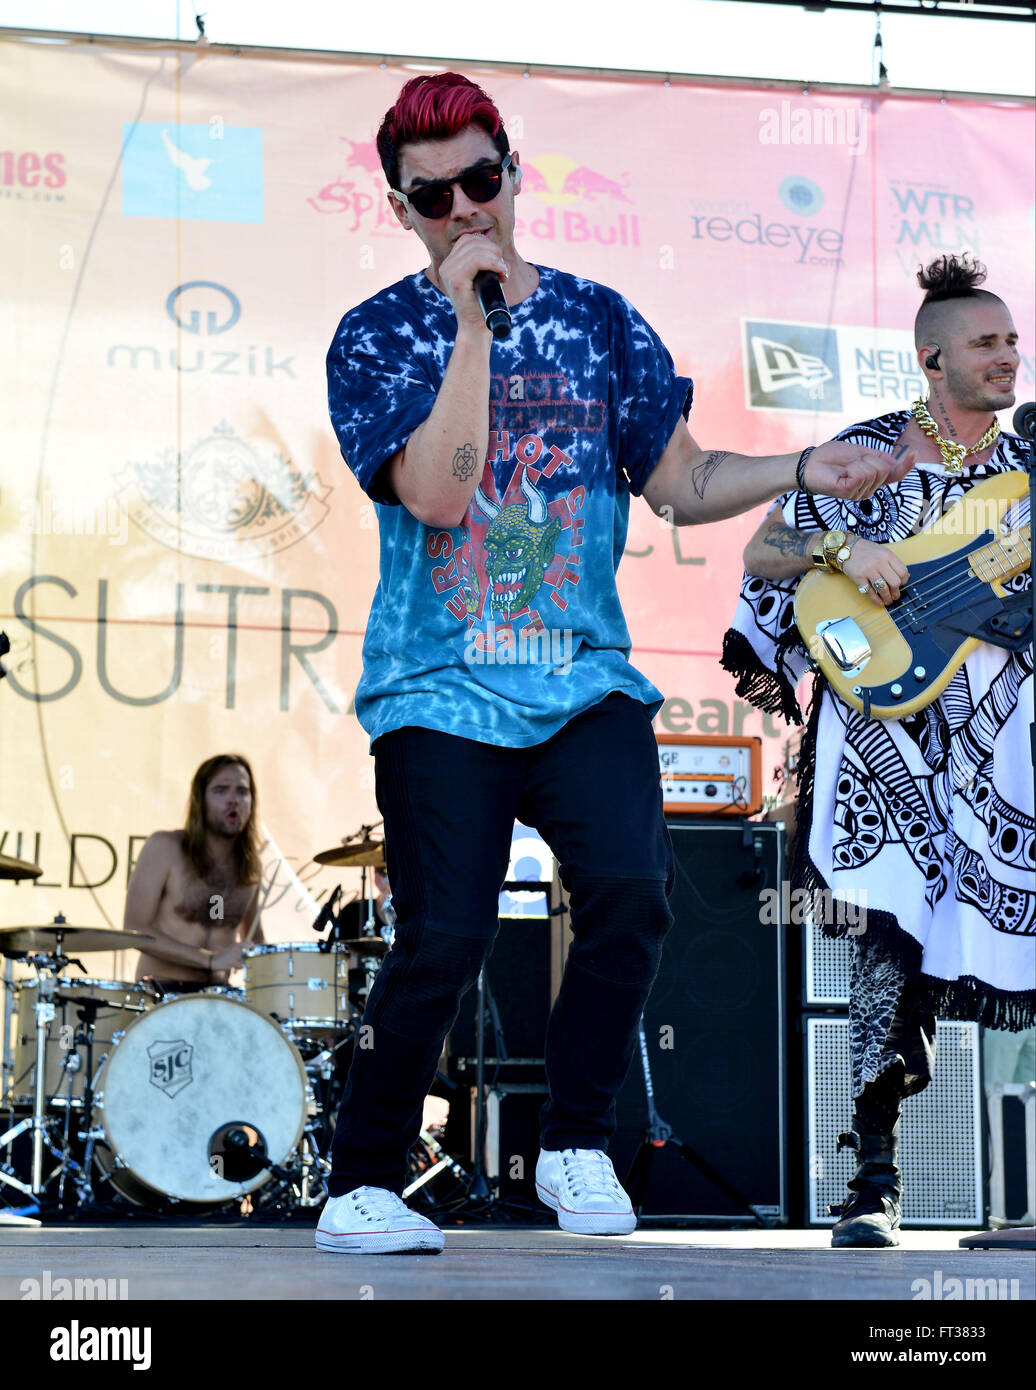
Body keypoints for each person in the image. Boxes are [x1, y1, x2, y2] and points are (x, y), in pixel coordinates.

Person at [319, 71, 911, 1256]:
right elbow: (437, 492)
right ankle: (359, 1180)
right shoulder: (378, 336)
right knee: (445, 932)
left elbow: (682, 483)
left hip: (581, 677)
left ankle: (576, 1142)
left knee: (635, 897)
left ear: (513, 176)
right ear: (401, 211)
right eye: (434, 198)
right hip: (438, 689)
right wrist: (473, 323)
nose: (465, 212)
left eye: (481, 182)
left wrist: (803, 470)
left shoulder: (599, 319)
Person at [724, 254, 1034, 1247]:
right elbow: (762, 551)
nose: (1007, 356)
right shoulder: (872, 451)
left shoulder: (1025, 461)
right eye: (984, 343)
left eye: (1011, 340)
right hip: (885, 737)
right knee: (888, 951)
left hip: (1002, 737)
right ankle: (873, 1180)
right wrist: (838, 548)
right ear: (930, 358)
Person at [125, 754, 264, 991]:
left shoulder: (250, 865)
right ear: (201, 800)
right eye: (221, 790)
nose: (233, 800)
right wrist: (209, 960)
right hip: (161, 992)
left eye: (242, 791)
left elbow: (255, 937)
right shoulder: (165, 847)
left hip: (219, 995)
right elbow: (135, 929)